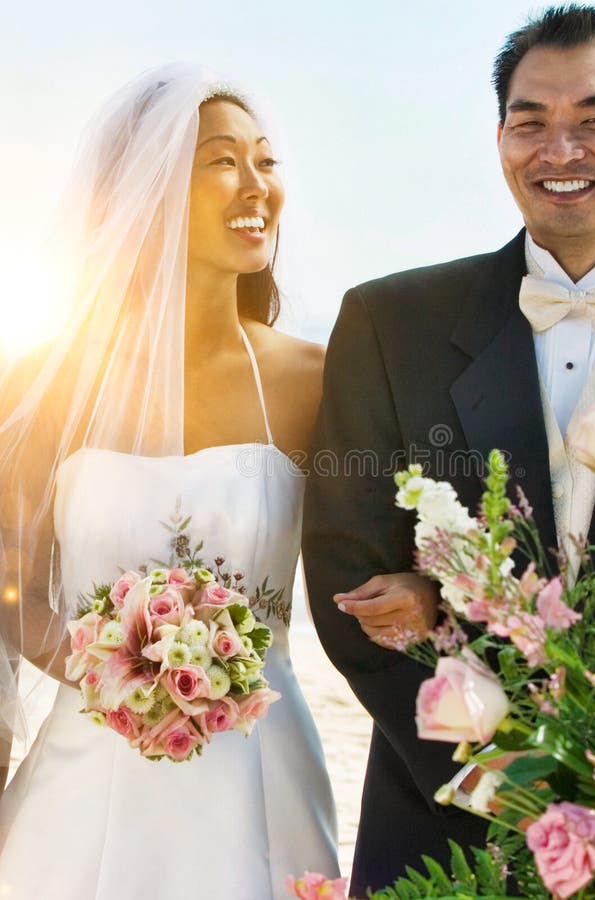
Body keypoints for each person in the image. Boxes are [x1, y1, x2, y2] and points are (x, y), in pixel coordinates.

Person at [302, 5, 595, 896]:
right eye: (530, 122)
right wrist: (512, 785)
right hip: (442, 831)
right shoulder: (389, 322)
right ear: (500, 141)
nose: (559, 150)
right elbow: (347, 579)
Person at [0, 64, 338, 898]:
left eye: (266, 161)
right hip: (87, 778)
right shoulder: (47, 381)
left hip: (265, 768)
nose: (257, 185)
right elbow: (12, 580)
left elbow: (368, 561)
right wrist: (117, 672)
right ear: (144, 191)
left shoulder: (316, 379)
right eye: (223, 161)